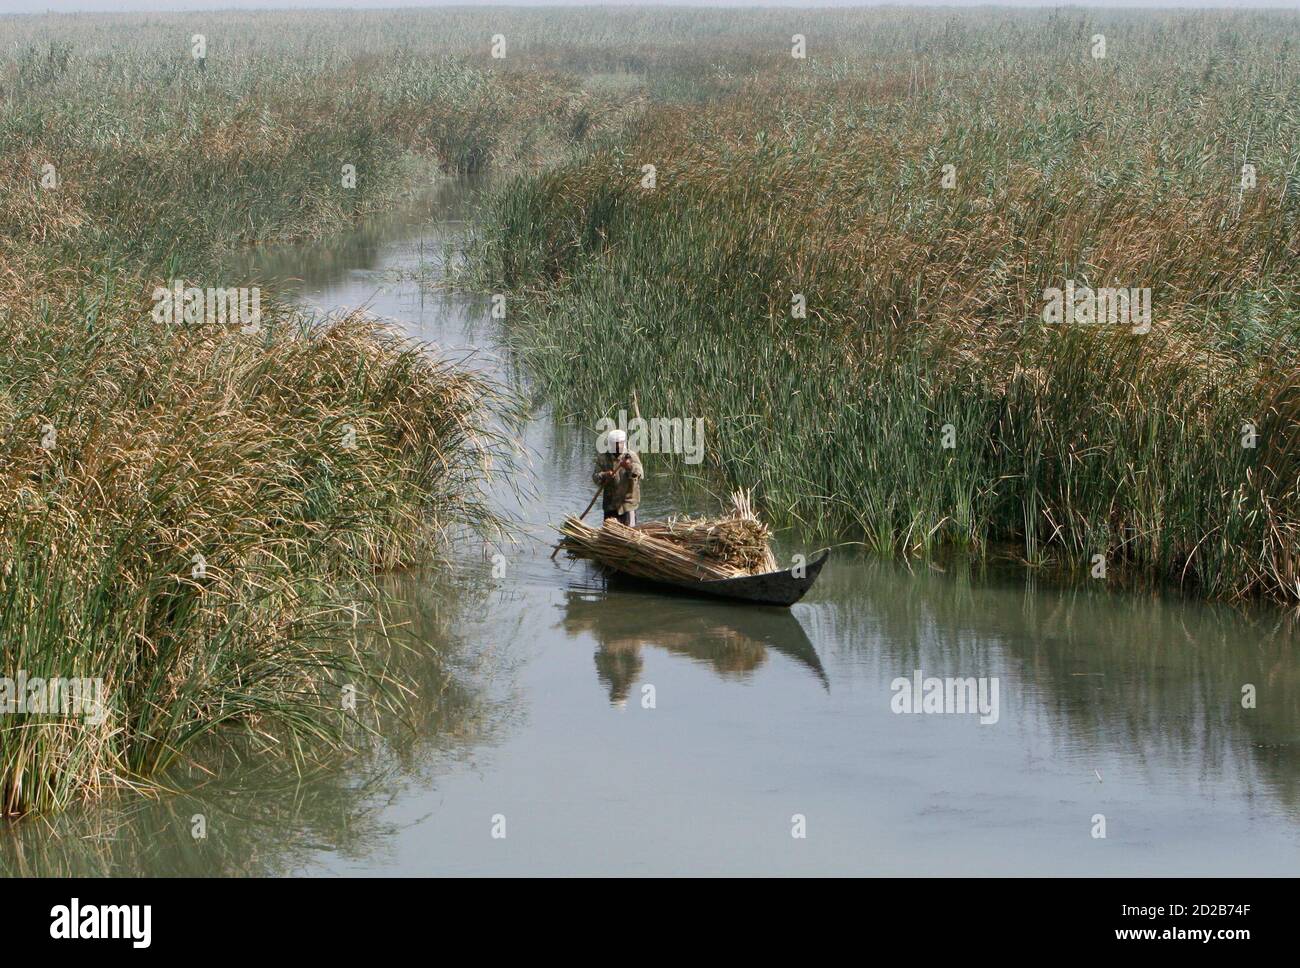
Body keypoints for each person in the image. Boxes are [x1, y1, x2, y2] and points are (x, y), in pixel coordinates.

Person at [592, 428, 643, 527]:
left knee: (629, 535)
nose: (618, 446)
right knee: (609, 534)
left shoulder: (631, 456)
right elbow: (595, 478)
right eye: (615, 443)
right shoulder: (603, 458)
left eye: (620, 443)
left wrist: (629, 467)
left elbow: (639, 474)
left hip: (628, 504)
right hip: (610, 505)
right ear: (610, 444)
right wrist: (605, 475)